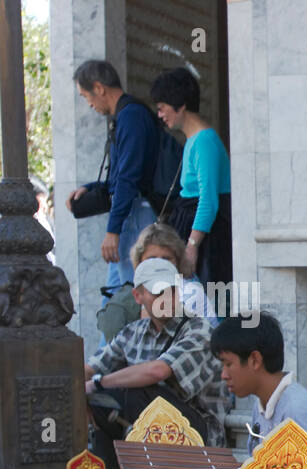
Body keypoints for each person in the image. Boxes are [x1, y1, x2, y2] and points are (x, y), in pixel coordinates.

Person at [84, 257, 226, 469]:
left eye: (170, 291)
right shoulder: (133, 331)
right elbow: (90, 368)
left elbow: (157, 372)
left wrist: (100, 382)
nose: (166, 299)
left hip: (201, 436)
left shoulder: (198, 329)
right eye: (158, 292)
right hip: (150, 430)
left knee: (139, 391)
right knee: (94, 396)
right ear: (138, 296)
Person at [67, 60, 157, 297]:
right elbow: (121, 177)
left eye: (86, 96)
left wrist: (113, 230)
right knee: (115, 304)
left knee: (131, 299)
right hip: (131, 211)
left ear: (99, 88)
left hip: (136, 213)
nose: (89, 104)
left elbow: (128, 179)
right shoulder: (127, 115)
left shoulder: (131, 116)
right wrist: (89, 188)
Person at [210, 311, 307, 468]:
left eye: (228, 364)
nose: (224, 375)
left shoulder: (296, 412)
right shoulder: (260, 406)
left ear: (255, 360)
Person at [150, 67, 232, 290]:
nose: (160, 115)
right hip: (193, 227)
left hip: (208, 239)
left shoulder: (204, 141)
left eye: (162, 108)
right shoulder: (194, 140)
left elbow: (208, 199)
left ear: (180, 104)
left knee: (209, 302)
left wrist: (192, 245)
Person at [98, 223, 219, 345]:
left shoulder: (189, 292)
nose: (159, 264)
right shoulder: (129, 298)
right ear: (140, 262)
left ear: (178, 261)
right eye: (152, 258)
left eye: (166, 258)